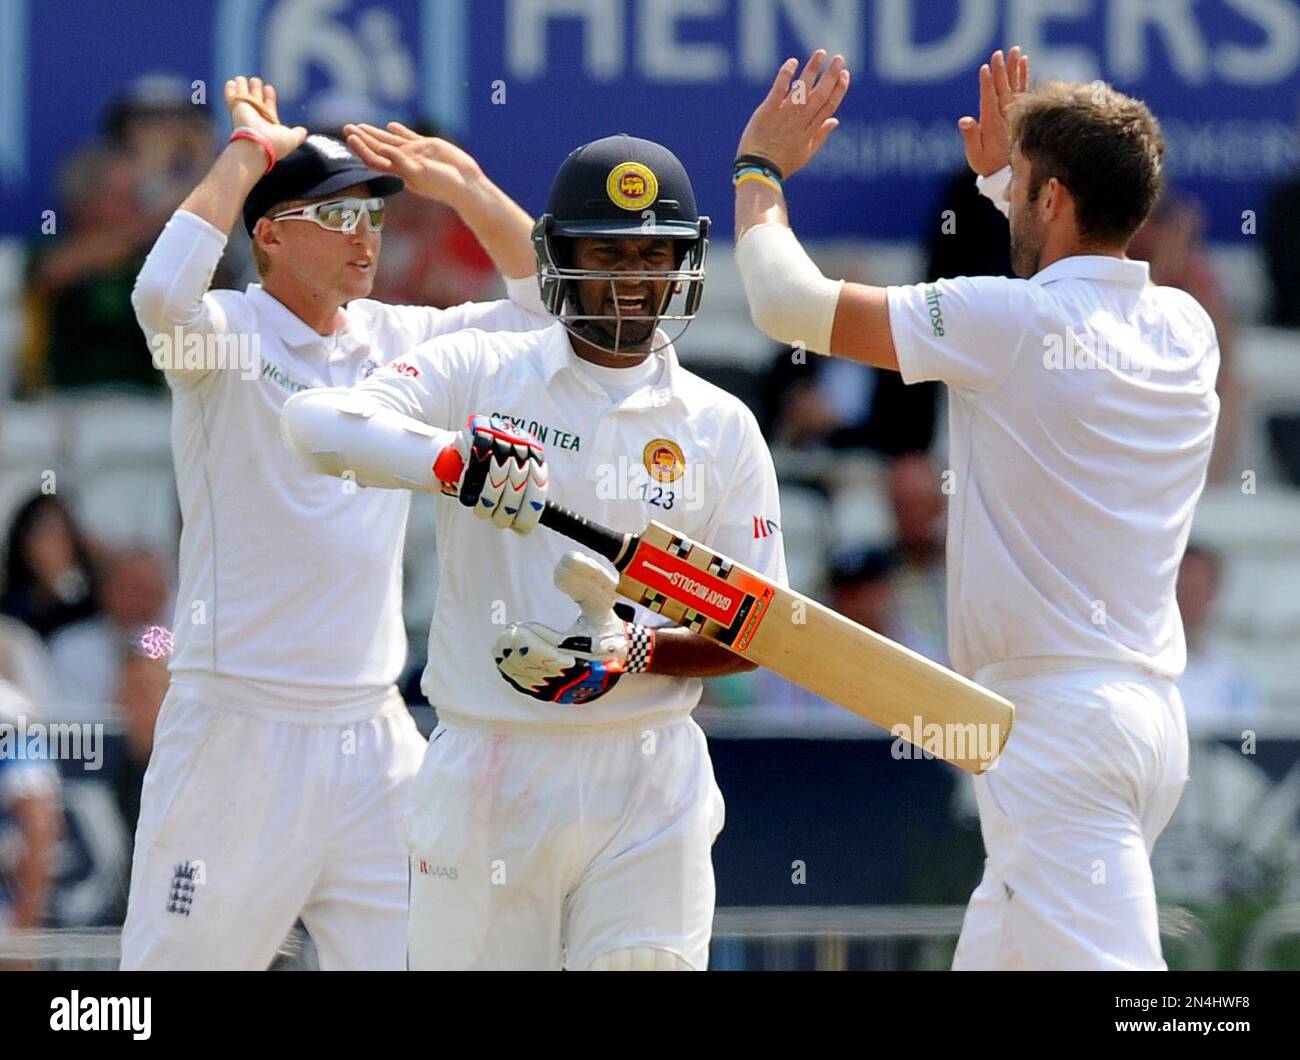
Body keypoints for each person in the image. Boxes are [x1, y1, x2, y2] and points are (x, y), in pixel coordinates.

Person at [732, 47, 1218, 970]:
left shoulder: (1012, 323)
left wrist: (758, 171)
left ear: (1052, 199)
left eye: (1019, 185)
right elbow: (1066, 253)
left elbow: (785, 304)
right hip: (1135, 716)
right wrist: (1010, 177)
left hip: (1057, 737)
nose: (998, 193)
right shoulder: (1184, 331)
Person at [282, 134, 787, 971]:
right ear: (558, 259)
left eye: (655, 255)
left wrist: (637, 652)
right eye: (608, 255)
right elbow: (315, 427)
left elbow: (755, 628)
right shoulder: (482, 367)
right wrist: (455, 464)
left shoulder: (720, 427)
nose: (633, 280)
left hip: (649, 779)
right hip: (490, 766)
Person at [120, 75, 548, 970]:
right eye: (336, 214)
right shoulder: (225, 336)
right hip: (236, 730)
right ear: (270, 236)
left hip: (373, 735)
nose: (365, 234)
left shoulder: (398, 339)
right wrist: (249, 153)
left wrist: (467, 189)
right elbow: (159, 296)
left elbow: (544, 312)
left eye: (373, 216)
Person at [0, 495, 99, 641]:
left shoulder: (96, 601)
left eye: (62, 528)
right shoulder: (12, 608)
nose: (55, 540)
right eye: (44, 530)